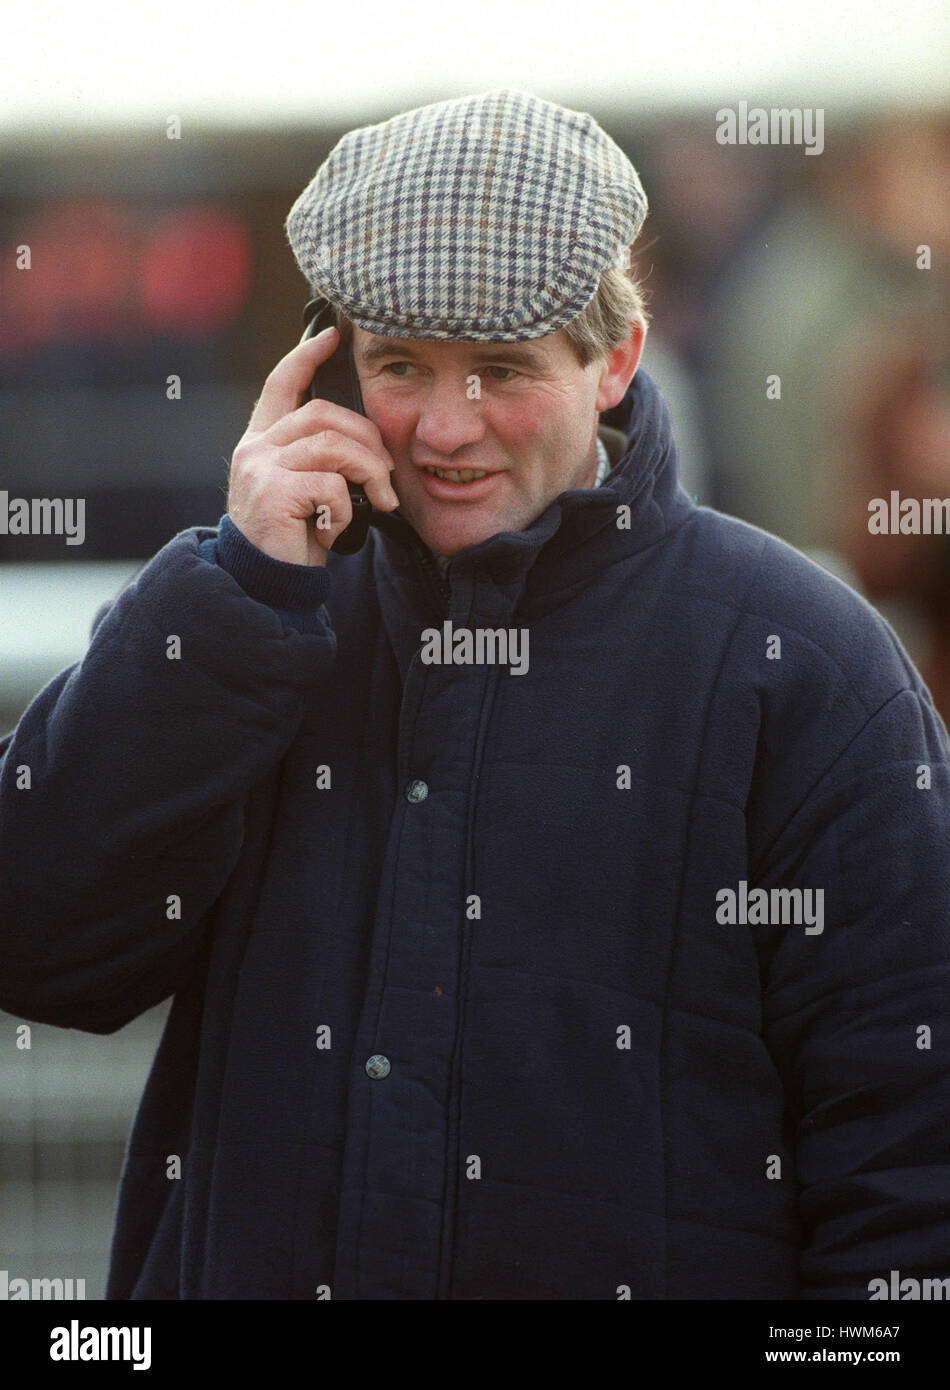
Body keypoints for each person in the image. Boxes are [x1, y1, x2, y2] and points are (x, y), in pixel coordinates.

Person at [1, 88, 948, 1301]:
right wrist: (231, 599)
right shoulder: (250, 610)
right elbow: (41, 946)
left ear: (614, 358)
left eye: (500, 370)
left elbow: (907, 1158)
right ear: (328, 365)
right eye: (401, 366)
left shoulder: (805, 668)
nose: (446, 428)